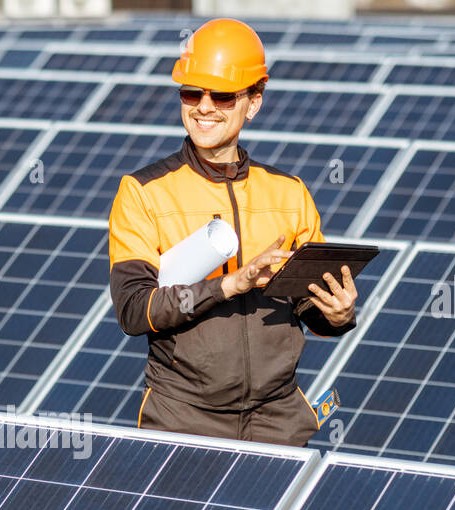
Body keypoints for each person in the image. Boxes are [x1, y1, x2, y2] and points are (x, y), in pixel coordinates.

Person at [108, 17, 359, 446]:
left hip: (279, 420)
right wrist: (229, 285)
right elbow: (134, 311)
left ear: (254, 101)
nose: (204, 107)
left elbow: (308, 308)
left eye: (222, 95)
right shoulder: (143, 192)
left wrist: (338, 316)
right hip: (181, 418)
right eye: (191, 92)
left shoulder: (290, 192)